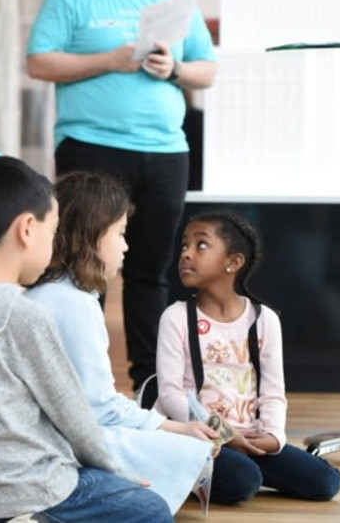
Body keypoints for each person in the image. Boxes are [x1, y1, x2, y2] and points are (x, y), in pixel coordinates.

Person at [26, 0, 217, 393]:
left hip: (164, 154)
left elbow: (208, 69)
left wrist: (173, 69)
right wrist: (111, 60)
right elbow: (39, 62)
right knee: (82, 269)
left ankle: (150, 388)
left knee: (150, 274)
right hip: (90, 149)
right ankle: (76, 387)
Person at [0, 155, 172, 523]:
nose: (54, 243)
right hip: (35, 493)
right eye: (53, 230)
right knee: (152, 508)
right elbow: (76, 420)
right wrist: (118, 473)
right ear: (27, 229)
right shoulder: (25, 315)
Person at [25, 171, 218, 513]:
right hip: (58, 454)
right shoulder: (73, 303)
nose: (126, 245)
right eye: (120, 233)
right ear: (93, 235)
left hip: (56, 444)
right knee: (189, 474)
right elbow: (101, 410)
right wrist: (178, 430)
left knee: (211, 461)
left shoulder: (52, 293)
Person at [154, 211, 340, 506]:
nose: (186, 254)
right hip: (199, 439)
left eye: (200, 245)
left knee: (327, 482)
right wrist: (225, 435)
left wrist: (273, 437)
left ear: (234, 262)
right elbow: (169, 395)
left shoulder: (264, 319)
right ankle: (189, 468)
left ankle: (237, 468)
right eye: (184, 246)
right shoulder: (177, 317)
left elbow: (273, 393)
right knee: (244, 482)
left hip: (249, 438)